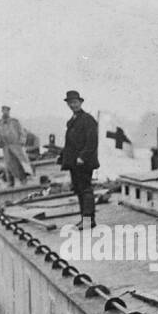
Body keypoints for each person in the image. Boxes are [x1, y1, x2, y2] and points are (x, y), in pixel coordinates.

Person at [59, 90, 98, 228]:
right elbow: (70, 143)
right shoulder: (72, 121)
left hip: (84, 162)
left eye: (75, 102)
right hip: (74, 163)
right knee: (79, 190)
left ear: (80, 102)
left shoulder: (88, 119)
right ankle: (84, 219)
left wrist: (83, 157)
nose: (72, 105)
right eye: (70, 103)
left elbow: (92, 142)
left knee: (85, 189)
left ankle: (88, 220)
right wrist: (63, 156)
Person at [0, 105, 33, 185]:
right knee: (9, 164)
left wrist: (22, 142)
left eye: (7, 111)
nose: (5, 112)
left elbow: (22, 133)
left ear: (9, 111)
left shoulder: (15, 122)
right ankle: (11, 182)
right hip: (6, 147)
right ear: (2, 111)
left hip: (16, 145)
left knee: (21, 162)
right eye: (4, 111)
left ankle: (25, 179)